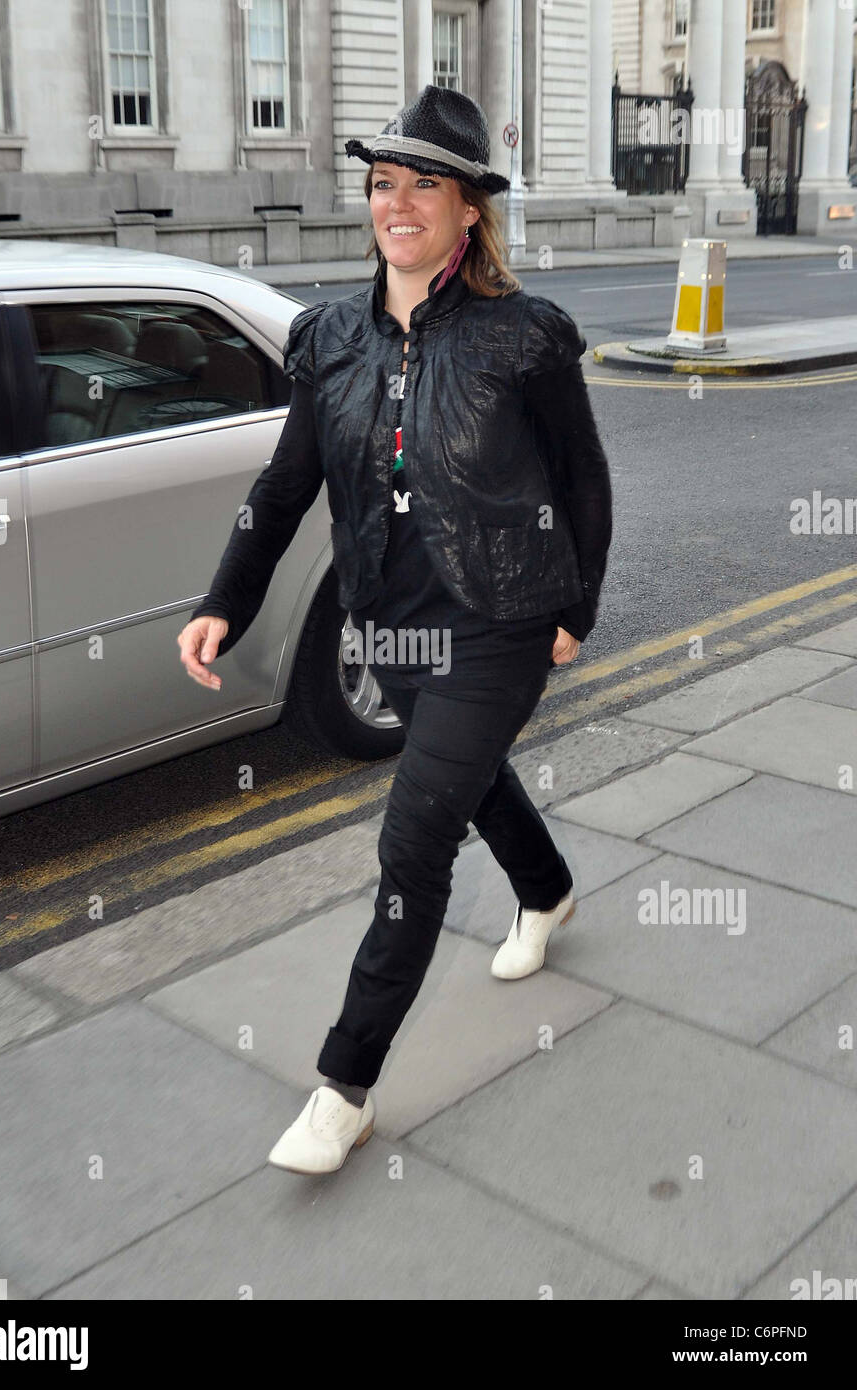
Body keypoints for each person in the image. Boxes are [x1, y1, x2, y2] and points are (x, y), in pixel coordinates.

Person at [177, 85, 612, 1176]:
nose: (400, 201)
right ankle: (548, 889)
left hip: (502, 621)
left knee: (413, 836)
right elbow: (283, 488)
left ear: (469, 211)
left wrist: (576, 610)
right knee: (467, 780)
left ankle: (344, 1085)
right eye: (384, 181)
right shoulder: (326, 339)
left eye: (427, 182)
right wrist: (222, 600)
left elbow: (582, 481)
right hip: (391, 624)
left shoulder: (526, 335)